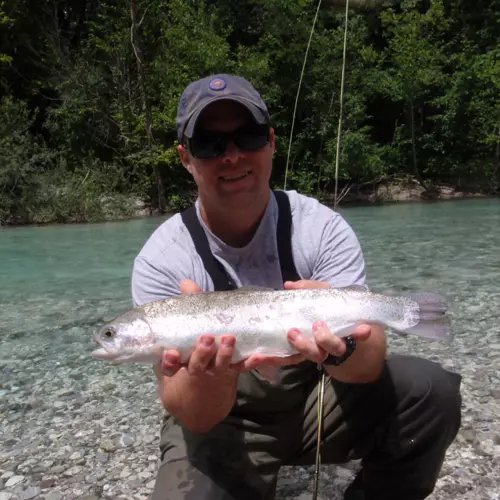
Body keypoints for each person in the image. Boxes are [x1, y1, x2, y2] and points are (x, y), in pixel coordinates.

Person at [131, 74, 462, 500]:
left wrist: (346, 345)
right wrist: (215, 375)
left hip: (318, 402)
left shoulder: (320, 228)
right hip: (222, 426)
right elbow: (192, 414)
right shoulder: (162, 260)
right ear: (185, 157)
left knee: (430, 390)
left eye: (247, 137)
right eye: (210, 144)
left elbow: (369, 365)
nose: (231, 156)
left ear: (270, 141)